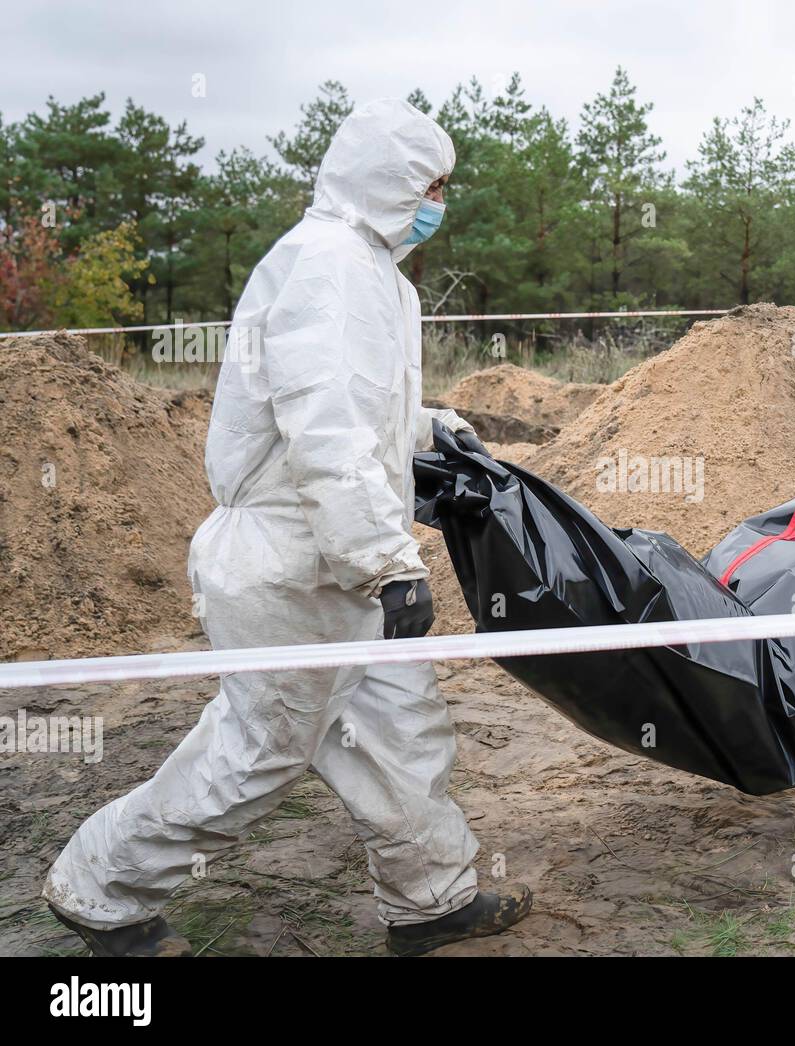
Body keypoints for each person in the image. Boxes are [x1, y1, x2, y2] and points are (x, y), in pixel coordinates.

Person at [43, 98, 531, 957]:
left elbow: (356, 409)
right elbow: (323, 429)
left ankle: (432, 899)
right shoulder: (327, 266)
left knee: (397, 730)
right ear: (386, 178)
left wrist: (429, 428)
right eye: (431, 184)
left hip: (333, 567)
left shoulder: (374, 273)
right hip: (289, 568)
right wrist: (389, 560)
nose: (438, 203)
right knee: (257, 753)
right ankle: (100, 892)